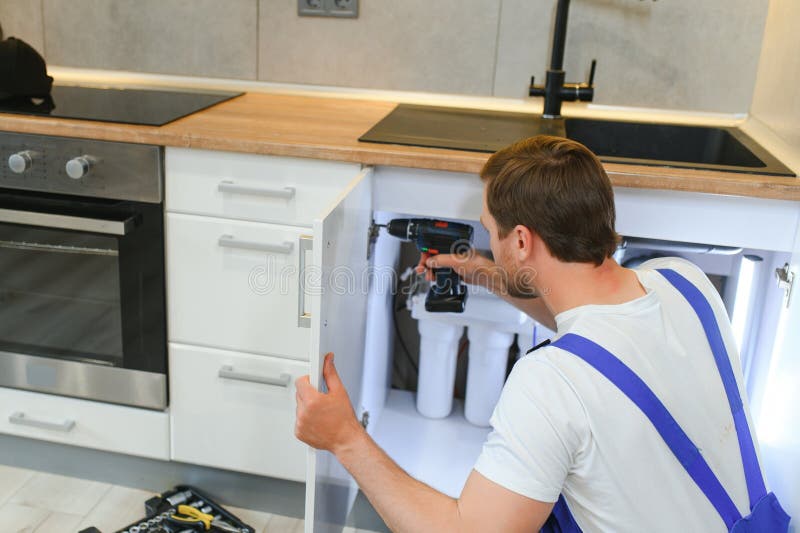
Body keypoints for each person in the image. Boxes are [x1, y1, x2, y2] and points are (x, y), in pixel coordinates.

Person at [294, 136, 789, 532]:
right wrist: (484, 270)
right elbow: (600, 334)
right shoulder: (685, 281)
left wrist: (346, 439)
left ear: (524, 240)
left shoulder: (551, 383)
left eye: (491, 228)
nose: (488, 236)